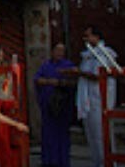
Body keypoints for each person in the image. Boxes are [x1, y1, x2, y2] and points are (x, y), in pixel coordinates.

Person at [76, 26, 117, 167]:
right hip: (88, 100)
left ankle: (108, 163)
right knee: (92, 136)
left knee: (102, 136)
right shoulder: (87, 55)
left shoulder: (105, 53)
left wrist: (78, 73)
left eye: (88, 36)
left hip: (99, 100)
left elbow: (97, 75)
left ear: (97, 37)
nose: (85, 39)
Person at [35, 43, 75, 167]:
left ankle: (62, 161)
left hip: (63, 106)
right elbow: (37, 79)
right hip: (48, 106)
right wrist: (48, 81)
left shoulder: (68, 66)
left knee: (62, 135)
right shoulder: (46, 65)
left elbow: (73, 81)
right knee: (48, 134)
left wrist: (60, 83)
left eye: (62, 50)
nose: (59, 53)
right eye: (57, 50)